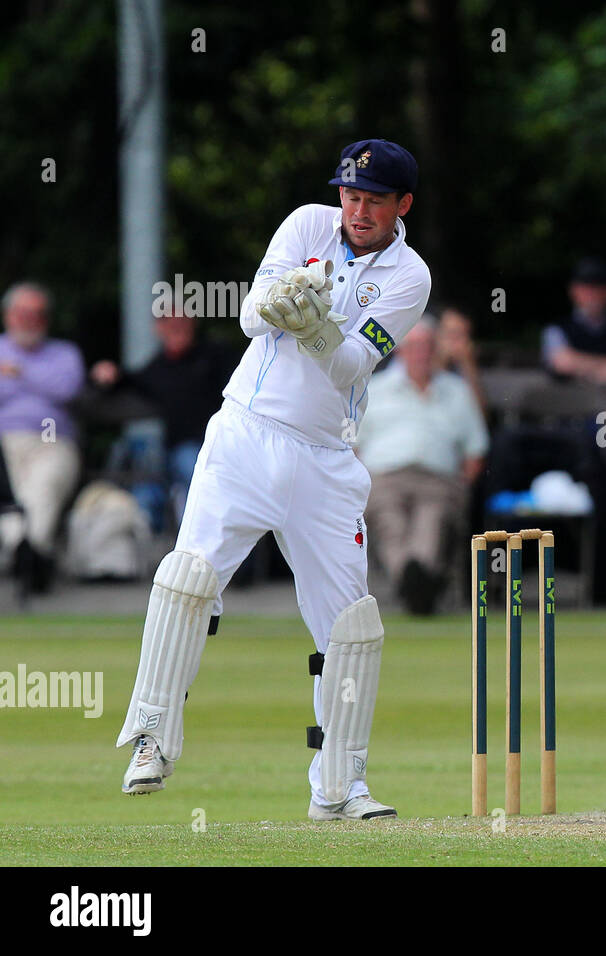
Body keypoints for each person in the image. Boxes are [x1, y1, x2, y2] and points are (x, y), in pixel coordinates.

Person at [116, 139, 431, 820]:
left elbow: (350, 366)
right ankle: (151, 737)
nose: (359, 210)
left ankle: (339, 786)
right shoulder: (306, 223)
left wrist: (316, 327)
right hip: (247, 434)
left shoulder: (410, 275)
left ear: (403, 204)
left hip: (326, 458)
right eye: (351, 195)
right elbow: (248, 315)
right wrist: (286, 301)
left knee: (348, 624)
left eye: (375, 200)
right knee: (190, 578)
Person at [357, 316, 487, 615]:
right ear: (400, 351)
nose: (421, 353)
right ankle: (418, 582)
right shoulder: (374, 387)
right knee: (390, 522)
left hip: (438, 480)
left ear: (436, 350)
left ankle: (412, 580)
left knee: (433, 519)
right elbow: (353, 446)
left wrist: (461, 486)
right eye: (414, 346)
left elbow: (475, 451)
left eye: (428, 346)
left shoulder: (457, 390)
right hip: (383, 478)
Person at [90, 307, 239, 526]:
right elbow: (128, 380)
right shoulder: (159, 367)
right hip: (179, 450)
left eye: (181, 318)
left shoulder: (217, 355)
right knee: (150, 482)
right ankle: (168, 550)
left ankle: (204, 546)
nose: (175, 324)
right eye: (167, 320)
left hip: (222, 446)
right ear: (157, 328)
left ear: (192, 321)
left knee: (201, 472)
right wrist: (108, 374)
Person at [0, 282, 86, 594]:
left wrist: (20, 372)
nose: (29, 320)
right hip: (5, 440)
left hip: (49, 433)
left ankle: (29, 548)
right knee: (15, 491)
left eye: (36, 314)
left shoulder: (63, 353)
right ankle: (30, 552)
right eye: (22, 313)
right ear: (8, 315)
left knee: (44, 481)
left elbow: (65, 389)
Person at [542, 257, 606, 384]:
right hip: (570, 402)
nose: (594, 294)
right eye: (587, 288)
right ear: (573, 290)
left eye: (600, 288)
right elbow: (562, 364)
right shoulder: (557, 329)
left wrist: (580, 365)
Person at [435, 305, 487, 414]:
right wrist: (441, 362)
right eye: (450, 334)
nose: (455, 342)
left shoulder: (467, 367)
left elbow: (481, 417)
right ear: (436, 336)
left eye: (461, 335)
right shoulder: (417, 362)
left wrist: (468, 365)